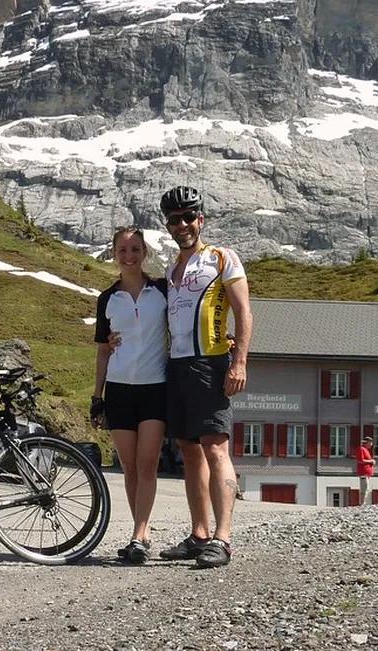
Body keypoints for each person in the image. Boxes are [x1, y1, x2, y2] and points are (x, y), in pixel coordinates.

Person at [154, 185, 252, 569]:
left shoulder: (222, 258)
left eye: (189, 217)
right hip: (177, 366)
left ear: (201, 219)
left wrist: (239, 362)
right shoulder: (171, 268)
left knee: (216, 449)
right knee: (189, 452)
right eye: (175, 220)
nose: (183, 225)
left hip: (211, 364)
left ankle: (222, 539)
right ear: (168, 226)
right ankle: (199, 534)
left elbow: (244, 312)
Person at [91, 227, 169, 565]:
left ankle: (140, 533)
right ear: (114, 254)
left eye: (135, 249)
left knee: (148, 461)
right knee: (130, 467)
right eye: (122, 250)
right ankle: (140, 532)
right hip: (119, 389)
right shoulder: (108, 298)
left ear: (145, 253)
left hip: (155, 387)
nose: (129, 256)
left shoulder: (163, 291)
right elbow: (102, 352)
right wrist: (97, 396)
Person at [355, 435, 375, 505]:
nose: (371, 444)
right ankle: (362, 503)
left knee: (367, 488)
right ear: (367, 443)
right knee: (364, 488)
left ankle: (364, 502)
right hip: (363, 472)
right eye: (370, 442)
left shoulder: (366, 450)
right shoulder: (361, 449)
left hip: (367, 473)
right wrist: (371, 461)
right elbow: (360, 460)